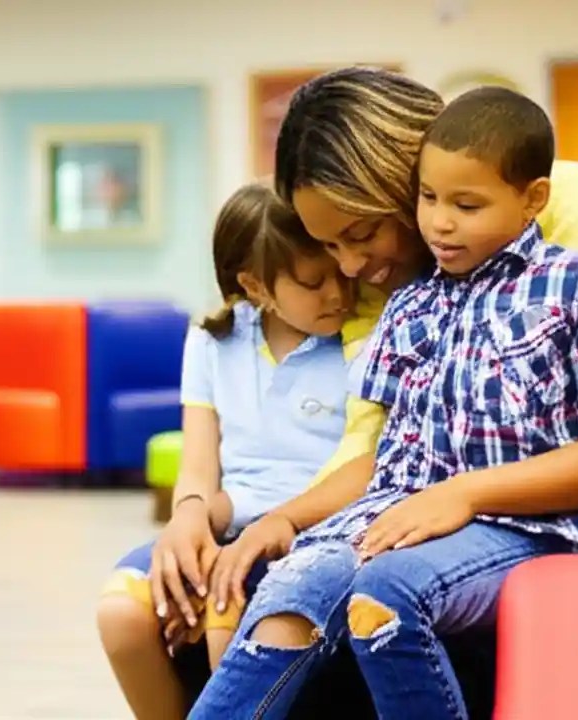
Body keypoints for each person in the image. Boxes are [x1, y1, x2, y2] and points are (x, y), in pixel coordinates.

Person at [189, 84, 578, 720]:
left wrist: (462, 493)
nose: (440, 222)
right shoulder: (411, 306)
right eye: (431, 201)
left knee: (385, 593)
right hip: (414, 516)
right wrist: (287, 518)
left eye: (464, 204)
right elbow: (382, 457)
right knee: (291, 589)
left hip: (544, 522)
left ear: (532, 200)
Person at [96, 182, 355, 719]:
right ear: (255, 285)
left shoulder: (359, 340)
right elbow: (198, 466)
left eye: (338, 270)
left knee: (222, 620)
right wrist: (188, 522)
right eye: (313, 282)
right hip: (229, 527)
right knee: (122, 612)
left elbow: (361, 472)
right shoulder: (212, 341)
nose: (337, 292)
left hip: (312, 535)